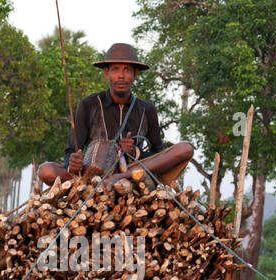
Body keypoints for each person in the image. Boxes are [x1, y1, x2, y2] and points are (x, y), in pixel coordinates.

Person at [37, 42, 192, 186]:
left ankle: (119, 179)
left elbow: (158, 153)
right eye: (116, 69)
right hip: (92, 172)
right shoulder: (88, 104)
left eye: (127, 70)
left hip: (131, 173)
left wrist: (134, 152)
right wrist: (72, 163)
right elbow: (71, 151)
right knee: (45, 170)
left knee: (185, 149)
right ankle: (98, 183)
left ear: (135, 74)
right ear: (107, 73)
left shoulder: (147, 109)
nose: (121, 76)